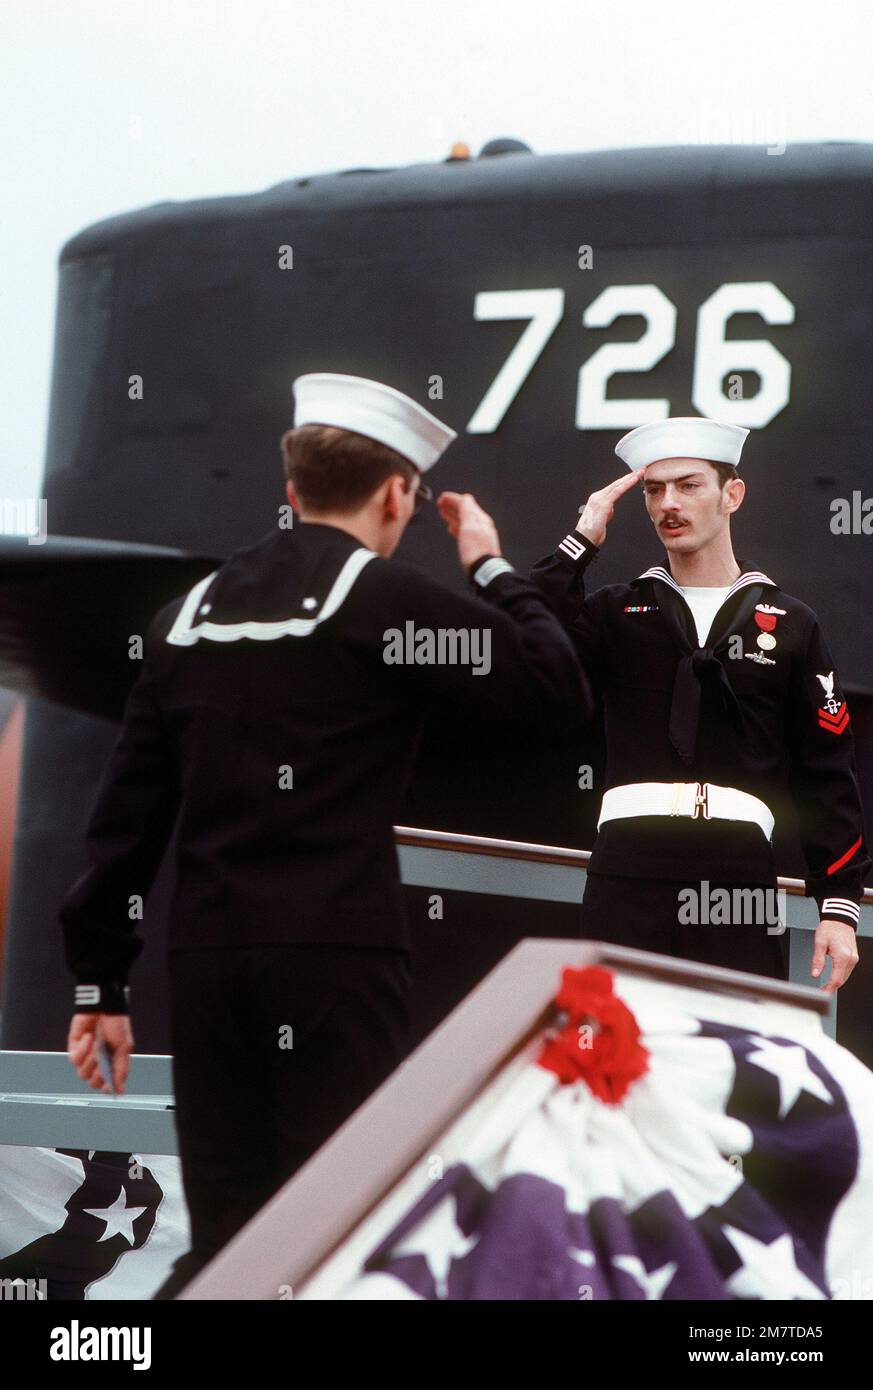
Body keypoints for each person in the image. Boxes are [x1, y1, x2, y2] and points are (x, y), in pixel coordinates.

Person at [60, 372, 592, 1298]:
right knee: (346, 1233)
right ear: (397, 494)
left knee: (227, 1237)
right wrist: (489, 565)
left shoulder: (185, 618)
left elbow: (126, 818)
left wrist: (101, 980)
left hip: (211, 965)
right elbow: (554, 690)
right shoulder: (389, 607)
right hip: (336, 966)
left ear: (292, 489)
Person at [531, 416, 868, 988]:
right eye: (654, 489)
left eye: (689, 486)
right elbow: (522, 647)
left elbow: (827, 771)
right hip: (627, 865)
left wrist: (837, 903)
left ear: (731, 494)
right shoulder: (616, 611)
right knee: (621, 1046)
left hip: (738, 875)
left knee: (728, 1050)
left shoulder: (790, 622)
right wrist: (578, 544)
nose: (669, 504)